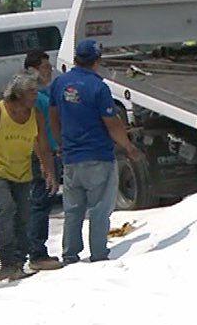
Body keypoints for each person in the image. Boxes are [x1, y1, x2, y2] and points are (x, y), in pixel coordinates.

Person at [48, 38, 142, 264]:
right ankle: (98, 253)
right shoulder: (98, 87)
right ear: (97, 61)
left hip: (71, 158)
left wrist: (61, 144)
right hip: (98, 156)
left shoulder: (59, 83)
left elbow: (53, 117)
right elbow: (111, 123)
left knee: (73, 209)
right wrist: (129, 147)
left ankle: (70, 254)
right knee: (100, 208)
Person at [0, 71, 58, 281]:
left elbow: (43, 145)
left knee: (24, 217)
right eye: (32, 92)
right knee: (7, 207)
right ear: (18, 94)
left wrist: (49, 171)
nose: (36, 95)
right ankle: (6, 263)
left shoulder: (36, 115)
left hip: (22, 171)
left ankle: (18, 263)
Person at [22, 49, 65, 271]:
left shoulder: (44, 93)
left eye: (50, 67)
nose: (49, 72)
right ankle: (37, 255)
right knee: (39, 203)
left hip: (51, 153)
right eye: (45, 68)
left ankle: (38, 251)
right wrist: (44, 163)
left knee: (43, 203)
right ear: (32, 70)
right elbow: (33, 133)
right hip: (39, 155)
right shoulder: (30, 97)